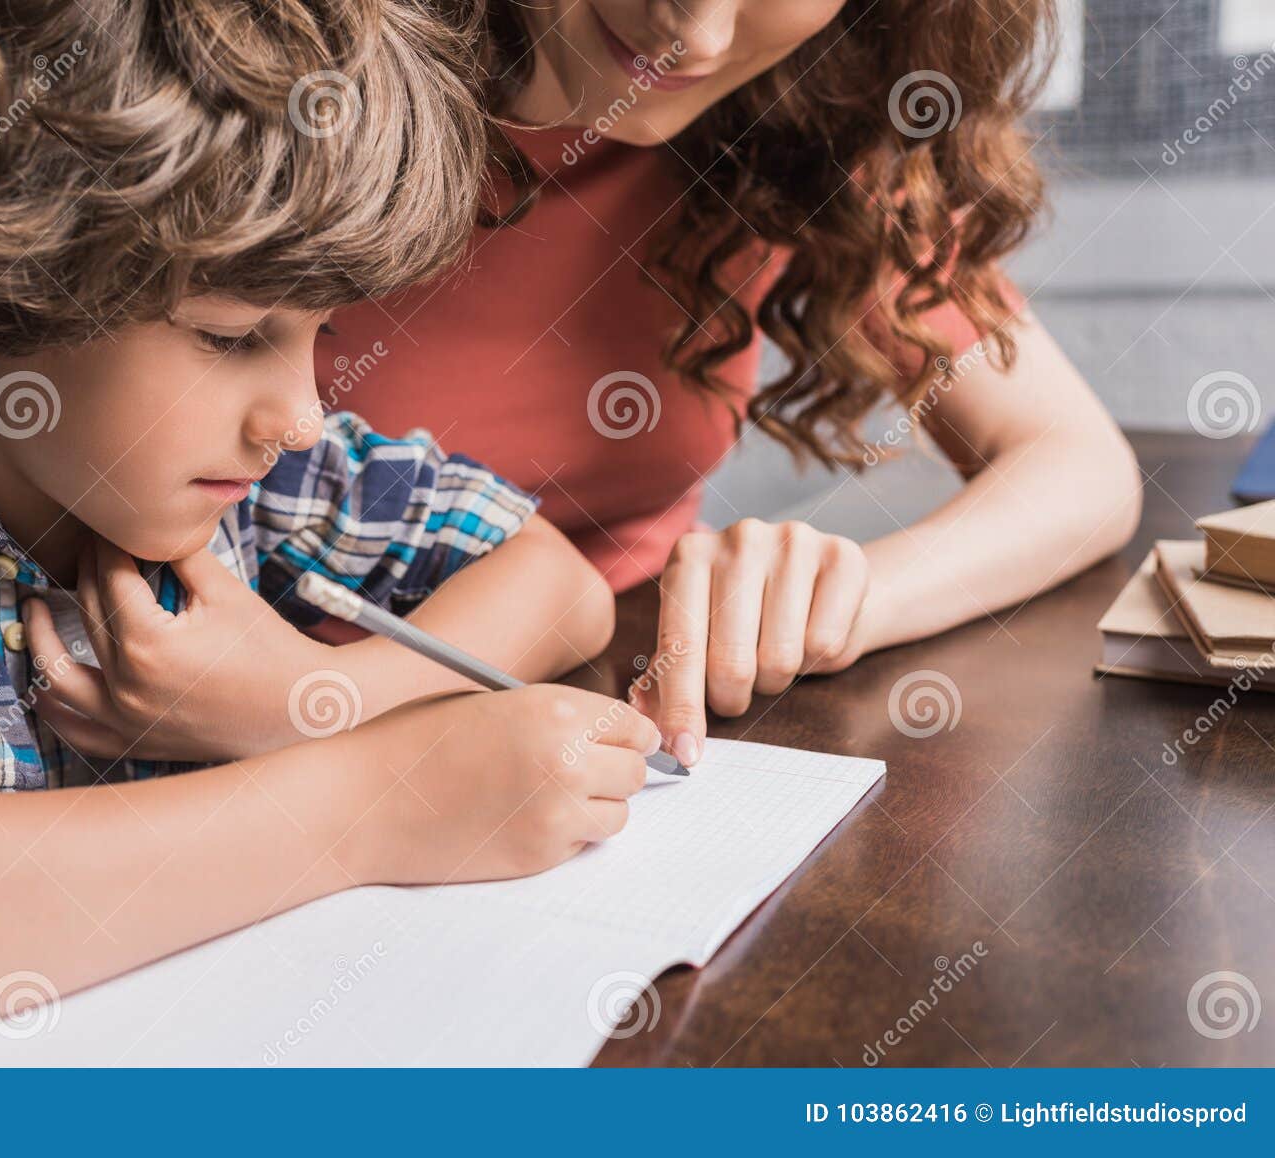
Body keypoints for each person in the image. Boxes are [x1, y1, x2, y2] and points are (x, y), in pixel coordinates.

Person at [0, 0, 658, 1065]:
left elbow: (558, 582)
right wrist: (363, 801)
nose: (298, 415)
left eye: (320, 334)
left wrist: (317, 708)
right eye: (228, 335)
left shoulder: (245, 474)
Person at [318, 0, 1143, 767]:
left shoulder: (808, 112)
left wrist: (844, 601)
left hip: (601, 695)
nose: (700, 38)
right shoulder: (282, 88)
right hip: (286, 715)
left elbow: (1077, 463)